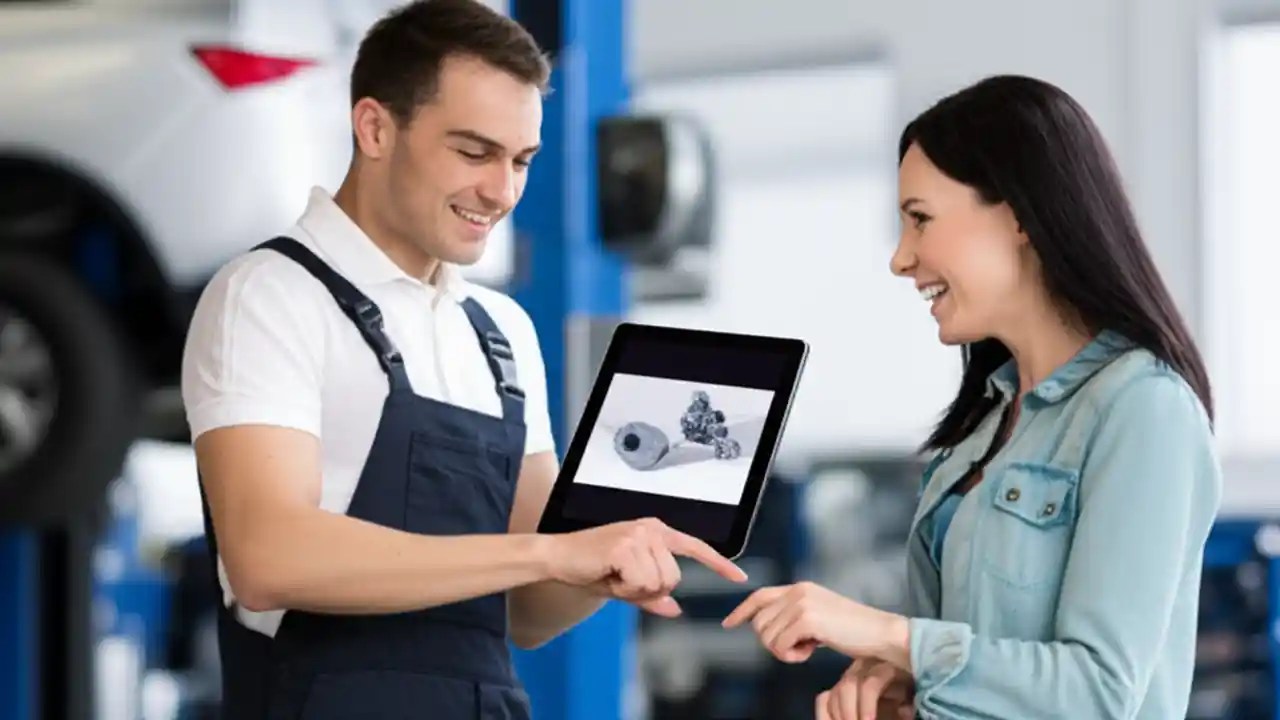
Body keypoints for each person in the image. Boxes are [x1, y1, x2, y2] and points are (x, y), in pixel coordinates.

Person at [181, 1, 746, 717]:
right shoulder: (270, 296)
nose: (502, 191)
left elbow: (530, 614)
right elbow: (268, 558)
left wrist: (614, 560)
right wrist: (547, 553)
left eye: (521, 161)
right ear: (376, 127)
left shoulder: (500, 332)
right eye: (474, 152)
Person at [723, 74, 1222, 720]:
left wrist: (889, 636)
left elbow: (1099, 696)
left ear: (1017, 213)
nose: (901, 259)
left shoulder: (1144, 411)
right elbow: (991, 676)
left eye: (920, 220)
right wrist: (900, 690)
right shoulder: (988, 423)